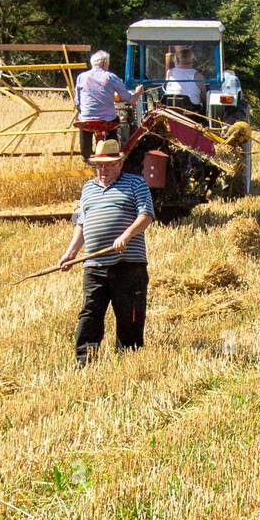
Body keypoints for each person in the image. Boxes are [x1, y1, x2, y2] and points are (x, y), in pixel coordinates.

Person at [59, 139, 156, 366]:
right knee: (90, 314)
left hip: (128, 263)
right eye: (99, 165)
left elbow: (146, 215)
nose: (103, 170)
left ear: (120, 163)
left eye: (109, 165)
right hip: (94, 264)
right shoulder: (88, 189)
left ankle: (128, 363)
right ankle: (85, 362)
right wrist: (71, 253)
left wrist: (126, 236)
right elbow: (82, 223)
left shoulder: (136, 184)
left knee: (129, 315)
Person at [74, 51, 145, 160]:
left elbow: (77, 103)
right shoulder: (111, 77)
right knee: (115, 121)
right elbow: (130, 99)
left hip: (87, 120)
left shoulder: (81, 77)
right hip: (106, 121)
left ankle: (85, 154)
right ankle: (112, 153)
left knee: (84, 124)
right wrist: (138, 92)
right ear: (105, 63)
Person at [164, 47, 207, 114]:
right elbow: (203, 98)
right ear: (192, 60)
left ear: (177, 60)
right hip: (192, 114)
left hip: (171, 111)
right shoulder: (198, 76)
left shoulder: (169, 72)